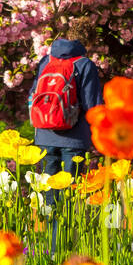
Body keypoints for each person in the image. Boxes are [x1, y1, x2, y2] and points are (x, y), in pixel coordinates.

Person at [28, 18, 103, 223]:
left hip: (44, 136)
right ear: (88, 43)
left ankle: (47, 249)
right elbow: (92, 105)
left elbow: (33, 94)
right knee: (68, 197)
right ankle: (62, 246)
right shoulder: (84, 64)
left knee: (48, 197)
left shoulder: (46, 60)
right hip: (74, 139)